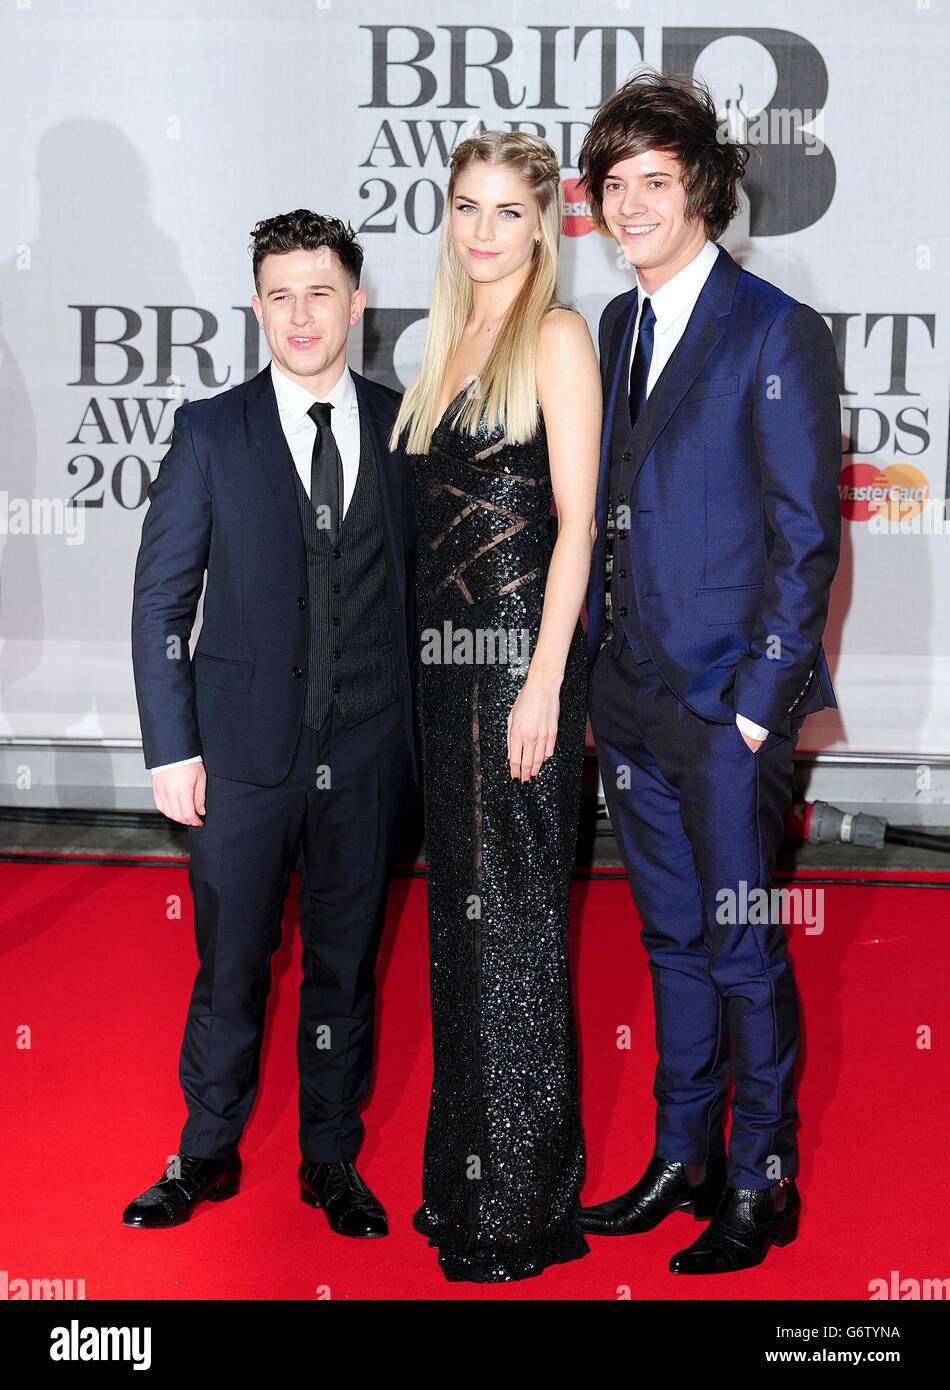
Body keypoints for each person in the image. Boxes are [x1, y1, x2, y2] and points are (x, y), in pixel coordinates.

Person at [576, 71, 841, 1273]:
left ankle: (762, 1176)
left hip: (726, 709)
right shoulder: (615, 326)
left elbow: (804, 538)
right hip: (629, 700)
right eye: (612, 184)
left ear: (705, 193)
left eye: (652, 183)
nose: (628, 206)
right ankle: (682, 1156)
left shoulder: (774, 329)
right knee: (670, 941)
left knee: (739, 948)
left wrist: (754, 709)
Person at [126, 210, 419, 1237]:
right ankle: (204, 1150)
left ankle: (329, 1157)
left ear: (357, 301)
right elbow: (161, 600)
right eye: (280, 295)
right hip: (241, 757)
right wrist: (172, 746)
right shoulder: (212, 430)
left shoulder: (401, 424)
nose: (301, 314)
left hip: (370, 747)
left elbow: (423, 597)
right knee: (231, 962)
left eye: (320, 291)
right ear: (257, 307)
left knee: (346, 965)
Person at [390, 132, 601, 1281]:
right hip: (440, 677)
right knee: (457, 935)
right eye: (465, 208)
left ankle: (516, 1208)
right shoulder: (441, 340)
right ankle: (461, 1176)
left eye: (506, 212)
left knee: (513, 931)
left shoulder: (555, 337)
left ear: (542, 225)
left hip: (515, 670)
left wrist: (543, 685)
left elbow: (576, 526)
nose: (482, 231)